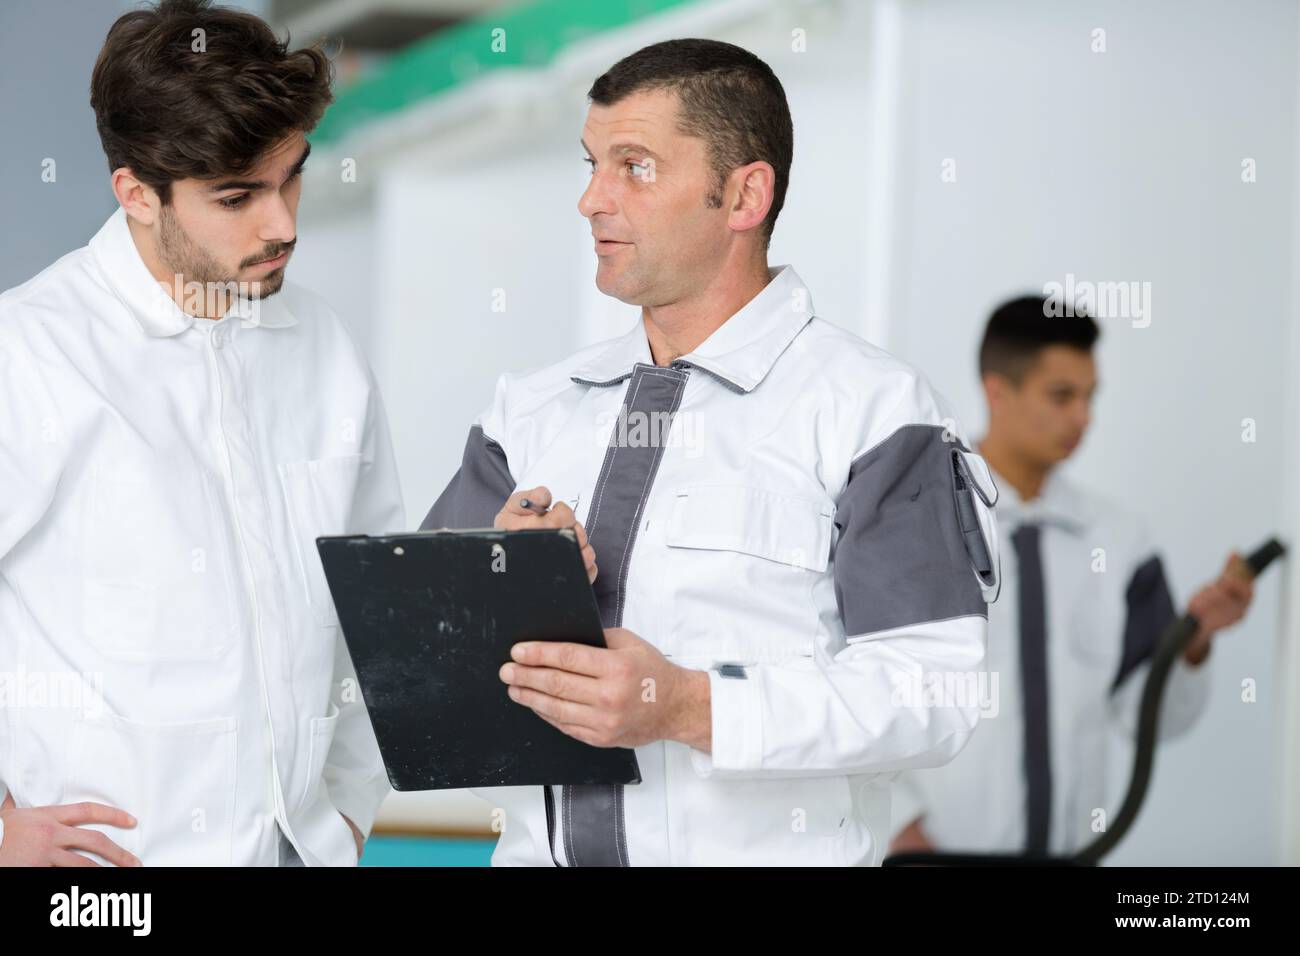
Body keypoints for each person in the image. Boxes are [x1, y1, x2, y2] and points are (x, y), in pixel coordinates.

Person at [421, 38, 1001, 866]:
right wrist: (491, 585)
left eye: (635, 166)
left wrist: (688, 706)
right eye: (591, 164)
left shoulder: (872, 413)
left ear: (742, 195)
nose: (591, 199)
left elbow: (935, 693)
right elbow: (415, 683)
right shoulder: (528, 410)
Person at [0, 0, 401, 866]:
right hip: (113, 880)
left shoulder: (324, 347)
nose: (283, 223)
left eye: (292, 176)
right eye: (237, 196)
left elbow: (369, 603)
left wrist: (358, 808)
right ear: (137, 195)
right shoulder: (27, 352)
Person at [888, 295, 1255, 857]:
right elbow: (856, 691)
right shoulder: (913, 525)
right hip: (935, 859)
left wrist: (1195, 641)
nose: (1083, 418)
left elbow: (1149, 717)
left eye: (1089, 397)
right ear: (997, 392)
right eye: (1062, 396)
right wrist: (899, 827)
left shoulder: (1120, 539)